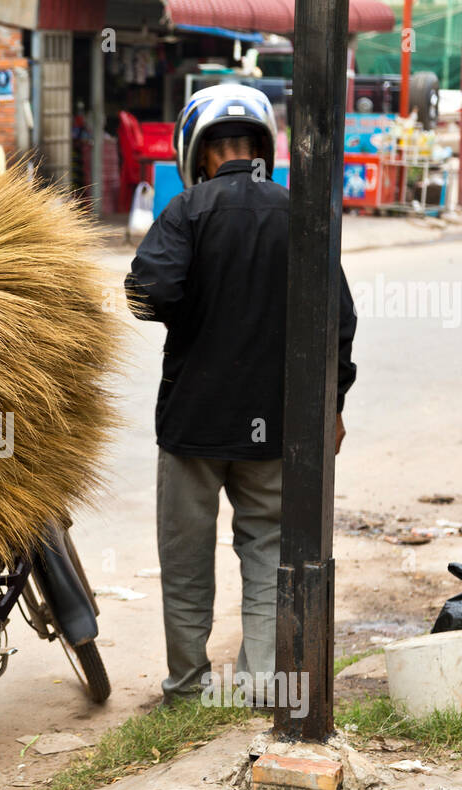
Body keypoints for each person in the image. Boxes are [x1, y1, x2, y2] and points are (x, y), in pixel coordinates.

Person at [124, 84, 358, 709]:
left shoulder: (186, 211)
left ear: (199, 154)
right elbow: (338, 319)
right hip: (276, 427)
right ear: (263, 149)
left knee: (186, 561)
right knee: (266, 554)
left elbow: (149, 294)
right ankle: (258, 687)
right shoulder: (299, 210)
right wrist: (331, 405)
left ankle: (188, 688)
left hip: (192, 427)